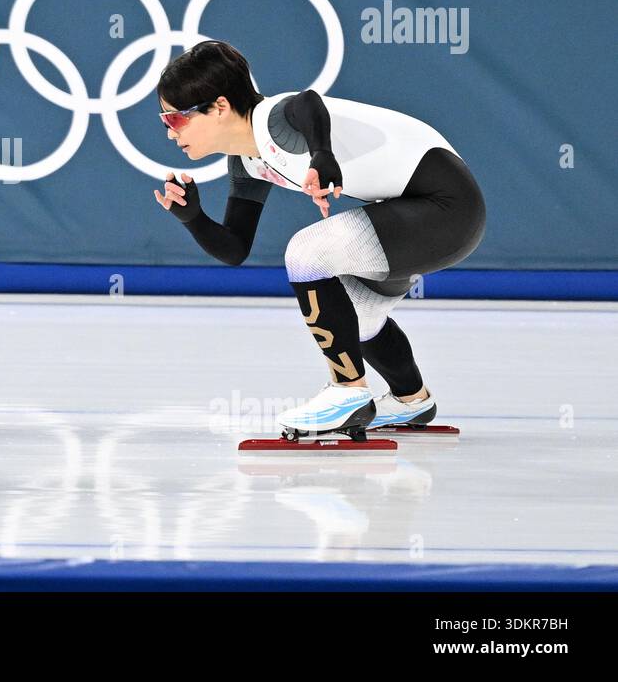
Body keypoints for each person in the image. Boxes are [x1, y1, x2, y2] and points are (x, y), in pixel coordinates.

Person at [152, 40, 485, 437]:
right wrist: (193, 217)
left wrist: (321, 155)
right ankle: (411, 399)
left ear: (219, 108)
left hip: (446, 208)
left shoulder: (275, 118)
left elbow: (307, 102)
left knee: (307, 252)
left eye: (174, 120)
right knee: (359, 316)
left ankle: (348, 391)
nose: (170, 133)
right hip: (421, 215)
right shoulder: (247, 160)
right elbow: (234, 248)